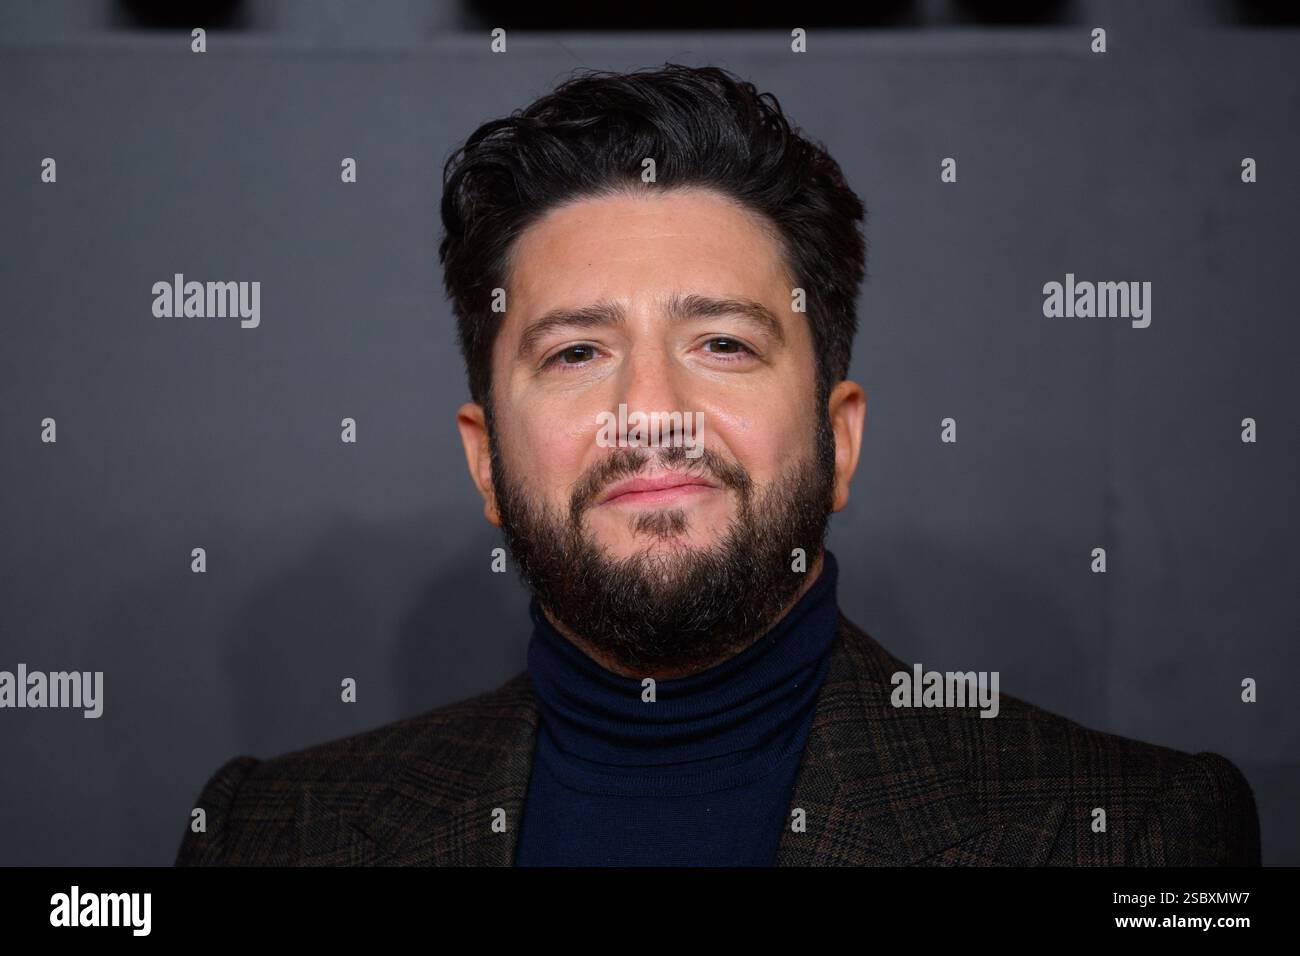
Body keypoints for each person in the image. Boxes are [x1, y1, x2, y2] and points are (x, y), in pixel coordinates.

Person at [174, 63, 1260, 867]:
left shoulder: (1131, 834)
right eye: (576, 352)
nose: (651, 413)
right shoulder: (269, 835)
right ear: (487, 462)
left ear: (839, 439)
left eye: (724, 344)